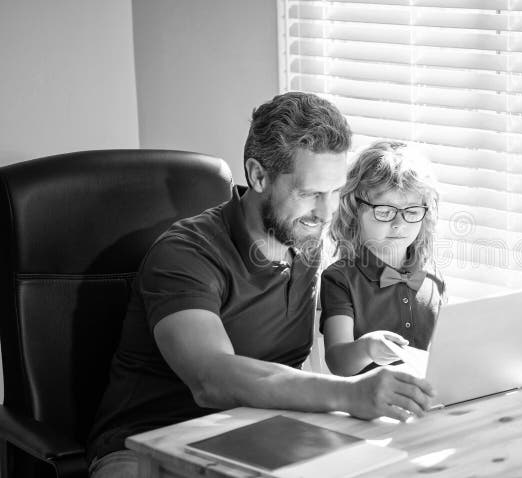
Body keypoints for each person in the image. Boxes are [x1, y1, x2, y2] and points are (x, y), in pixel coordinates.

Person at [86, 93, 435, 478]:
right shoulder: (184, 254)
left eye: (335, 192)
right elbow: (211, 378)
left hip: (264, 435)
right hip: (149, 446)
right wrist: (350, 394)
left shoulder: (305, 240)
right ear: (258, 176)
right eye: (310, 193)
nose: (326, 212)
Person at [321, 140, 446, 376]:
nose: (399, 224)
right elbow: (338, 363)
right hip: (365, 396)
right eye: (385, 212)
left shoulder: (433, 278)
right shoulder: (340, 279)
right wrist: (367, 348)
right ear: (353, 210)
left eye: (412, 211)